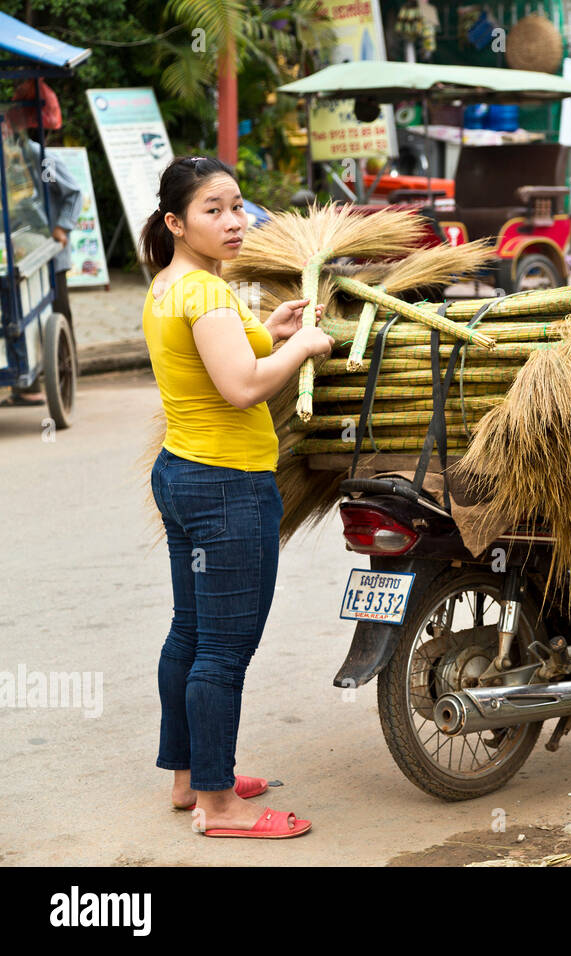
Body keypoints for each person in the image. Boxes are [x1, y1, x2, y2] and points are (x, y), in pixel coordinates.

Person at [141, 155, 333, 838]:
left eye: (237, 205)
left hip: (183, 475)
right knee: (223, 649)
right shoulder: (208, 294)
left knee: (189, 634)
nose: (233, 221)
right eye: (211, 210)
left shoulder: (170, 285)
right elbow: (244, 386)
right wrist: (305, 346)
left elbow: (225, 354)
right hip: (225, 487)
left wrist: (273, 332)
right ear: (176, 222)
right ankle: (221, 809)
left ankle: (191, 779)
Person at [2, 80, 82, 406]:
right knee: (25, 316)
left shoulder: (39, 156)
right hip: (25, 248)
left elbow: (73, 193)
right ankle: (30, 382)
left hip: (51, 252)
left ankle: (66, 376)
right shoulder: (16, 155)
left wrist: (62, 228)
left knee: (57, 311)